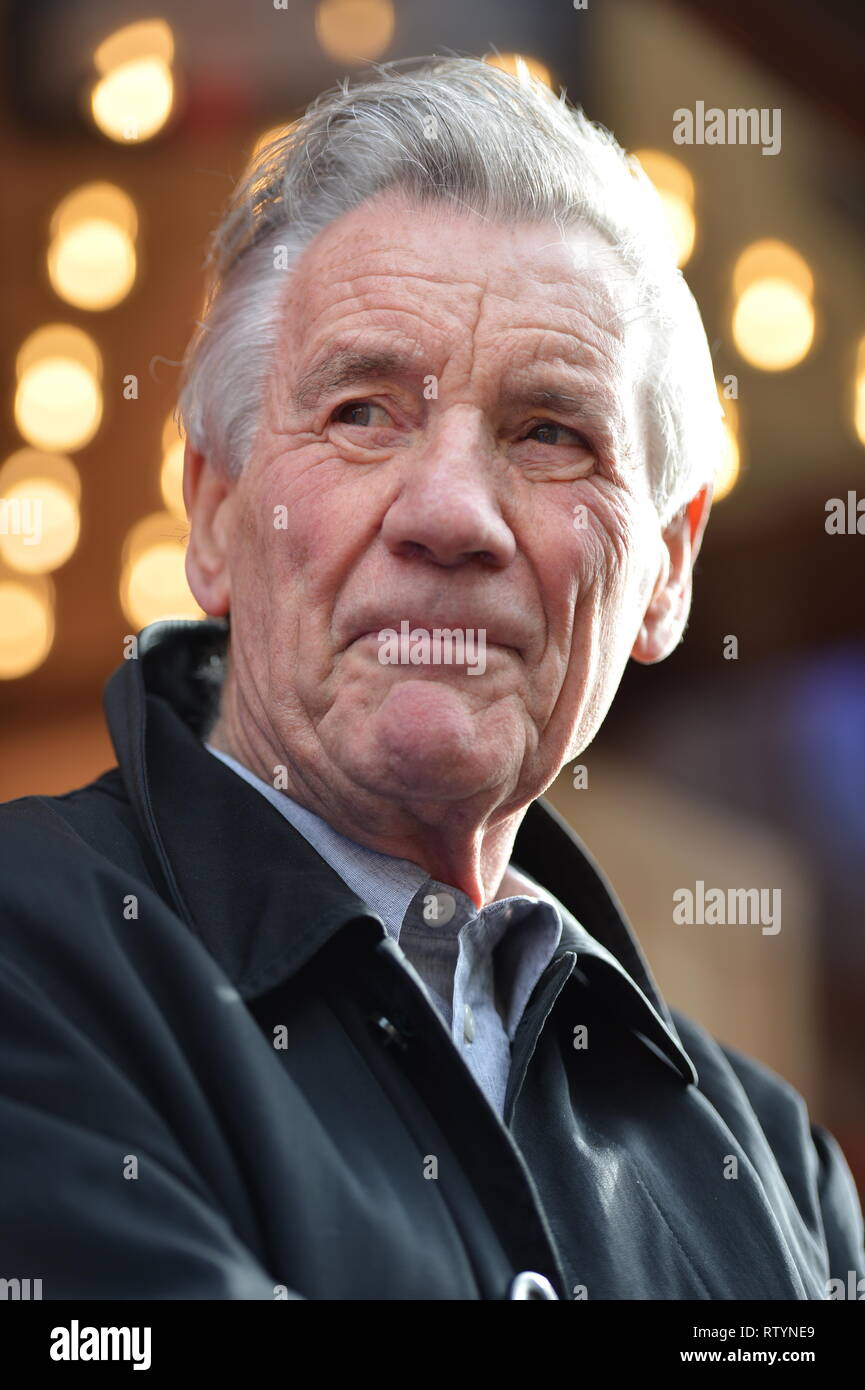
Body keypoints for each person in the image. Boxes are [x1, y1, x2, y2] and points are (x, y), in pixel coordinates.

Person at [1, 55, 862, 1301]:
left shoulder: (780, 1171)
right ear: (216, 511)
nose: (451, 512)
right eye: (361, 411)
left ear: (666, 568)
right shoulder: (32, 956)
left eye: (550, 431)